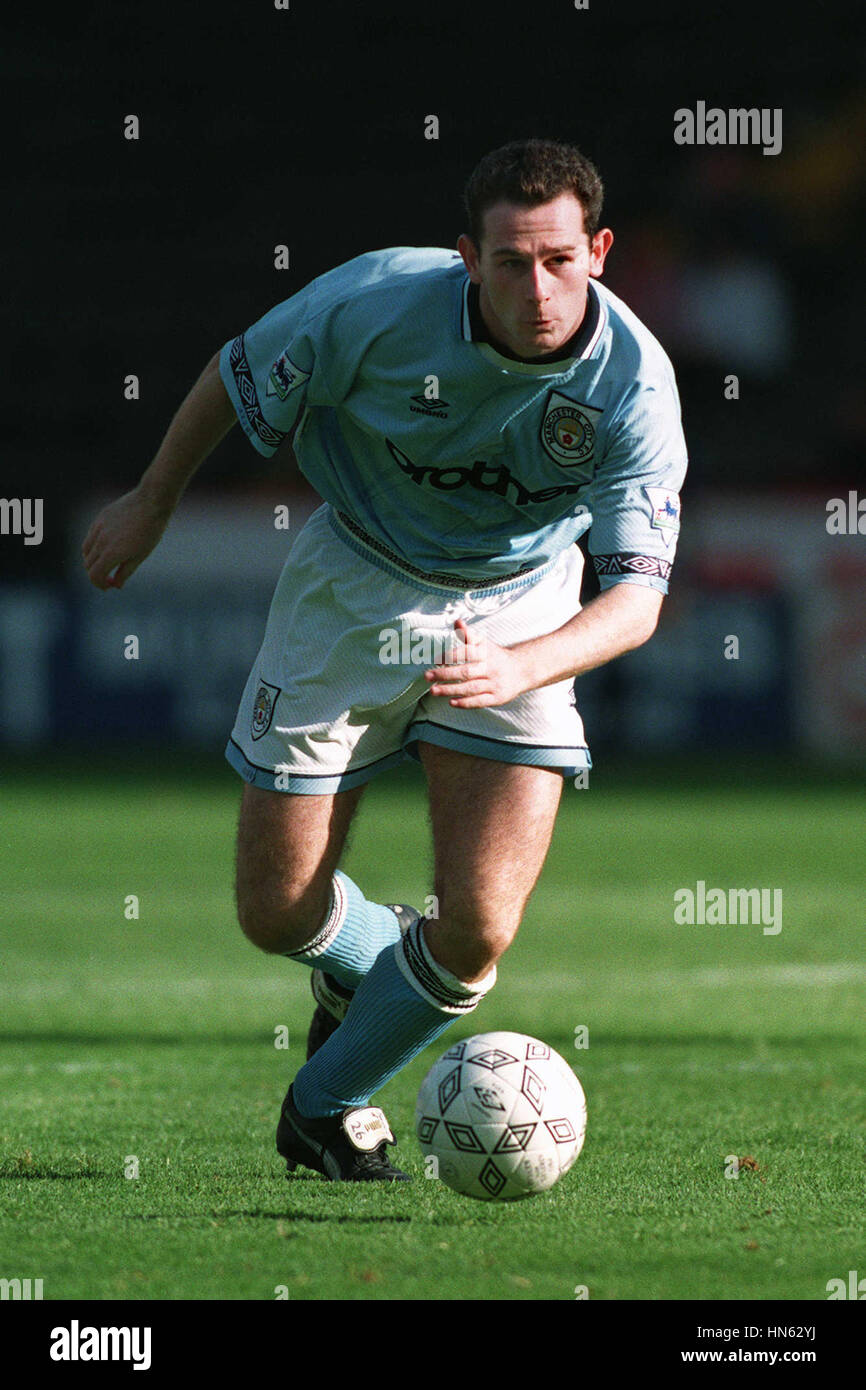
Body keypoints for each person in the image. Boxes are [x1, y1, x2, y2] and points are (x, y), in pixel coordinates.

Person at [82, 139, 687, 1182]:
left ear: (597, 249)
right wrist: (153, 498)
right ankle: (373, 969)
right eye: (508, 262)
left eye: (556, 259)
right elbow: (234, 373)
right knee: (275, 913)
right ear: (467, 257)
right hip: (354, 582)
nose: (535, 287)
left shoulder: (633, 382)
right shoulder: (368, 303)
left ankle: (322, 1108)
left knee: (477, 929)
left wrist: (522, 663)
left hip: (518, 609)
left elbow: (635, 598)